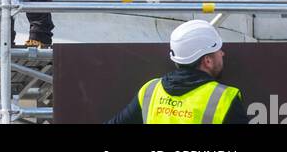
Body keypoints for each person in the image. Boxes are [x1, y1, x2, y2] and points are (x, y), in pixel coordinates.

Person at [106, 21, 249, 124]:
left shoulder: (150, 90)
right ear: (208, 61)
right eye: (218, 50)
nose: (222, 54)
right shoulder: (224, 98)